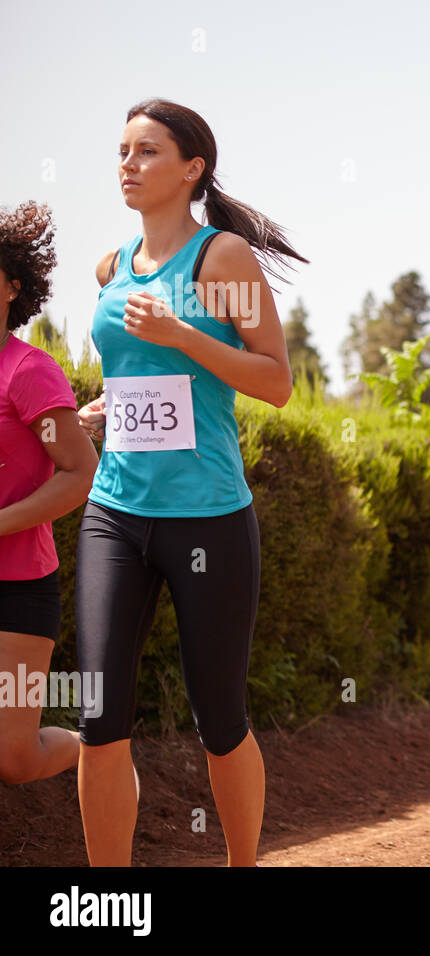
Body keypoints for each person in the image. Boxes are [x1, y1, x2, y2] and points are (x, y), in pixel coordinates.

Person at [74, 98, 305, 866]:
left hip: (206, 516)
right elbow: (138, 378)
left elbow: (275, 381)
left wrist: (180, 334)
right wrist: (103, 409)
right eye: (121, 151)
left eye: (146, 152)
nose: (127, 165)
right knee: (100, 716)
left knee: (219, 718)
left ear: (192, 168)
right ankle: (109, 896)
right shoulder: (109, 267)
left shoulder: (221, 262)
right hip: (115, 511)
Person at [0, 202, 99, 787]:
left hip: (17, 586)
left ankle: (99, 756)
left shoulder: (29, 371)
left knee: (14, 760)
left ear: (14, 286)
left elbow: (77, 473)